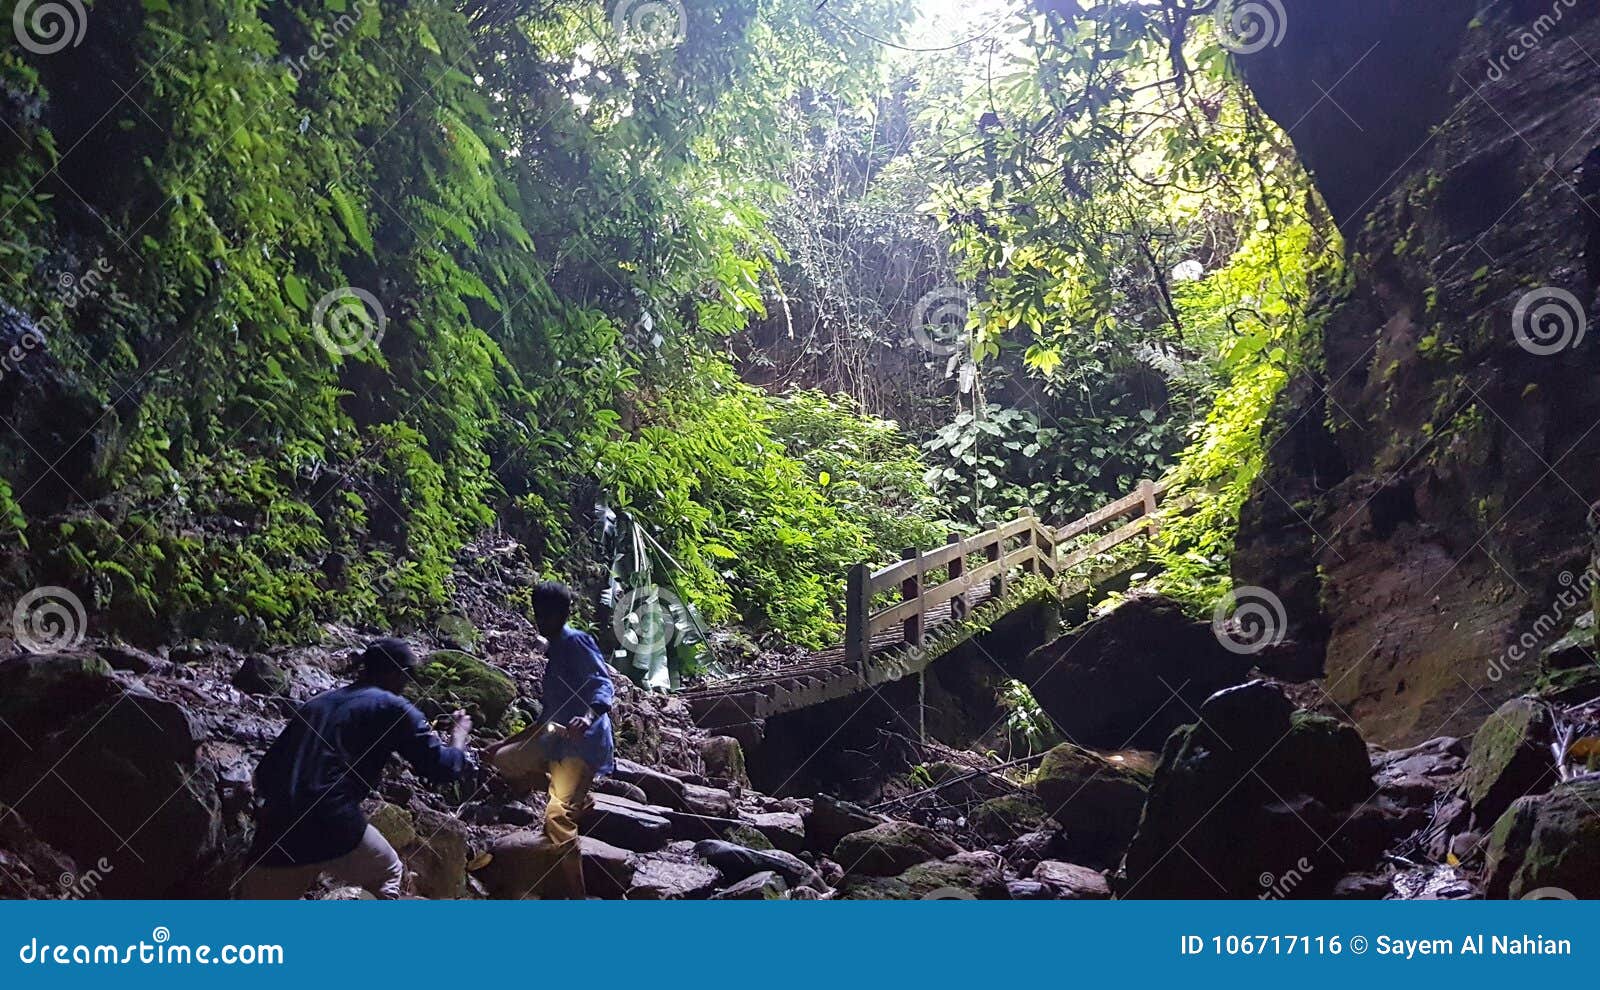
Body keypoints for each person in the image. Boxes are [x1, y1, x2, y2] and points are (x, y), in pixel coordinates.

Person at [239, 638, 473, 899]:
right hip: (333, 819)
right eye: (409, 676)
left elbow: (265, 772)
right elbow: (442, 768)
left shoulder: (318, 704)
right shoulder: (393, 707)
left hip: (277, 824)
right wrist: (459, 736)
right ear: (398, 674)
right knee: (387, 873)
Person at [484, 581, 615, 898]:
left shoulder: (577, 642)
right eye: (538, 613)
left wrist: (587, 716)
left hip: (581, 744)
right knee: (500, 759)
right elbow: (549, 714)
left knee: (557, 819)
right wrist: (504, 744)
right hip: (554, 738)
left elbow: (601, 683)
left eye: (549, 613)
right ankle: (577, 799)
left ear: (564, 613)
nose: (541, 619)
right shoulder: (555, 649)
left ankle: (575, 895)